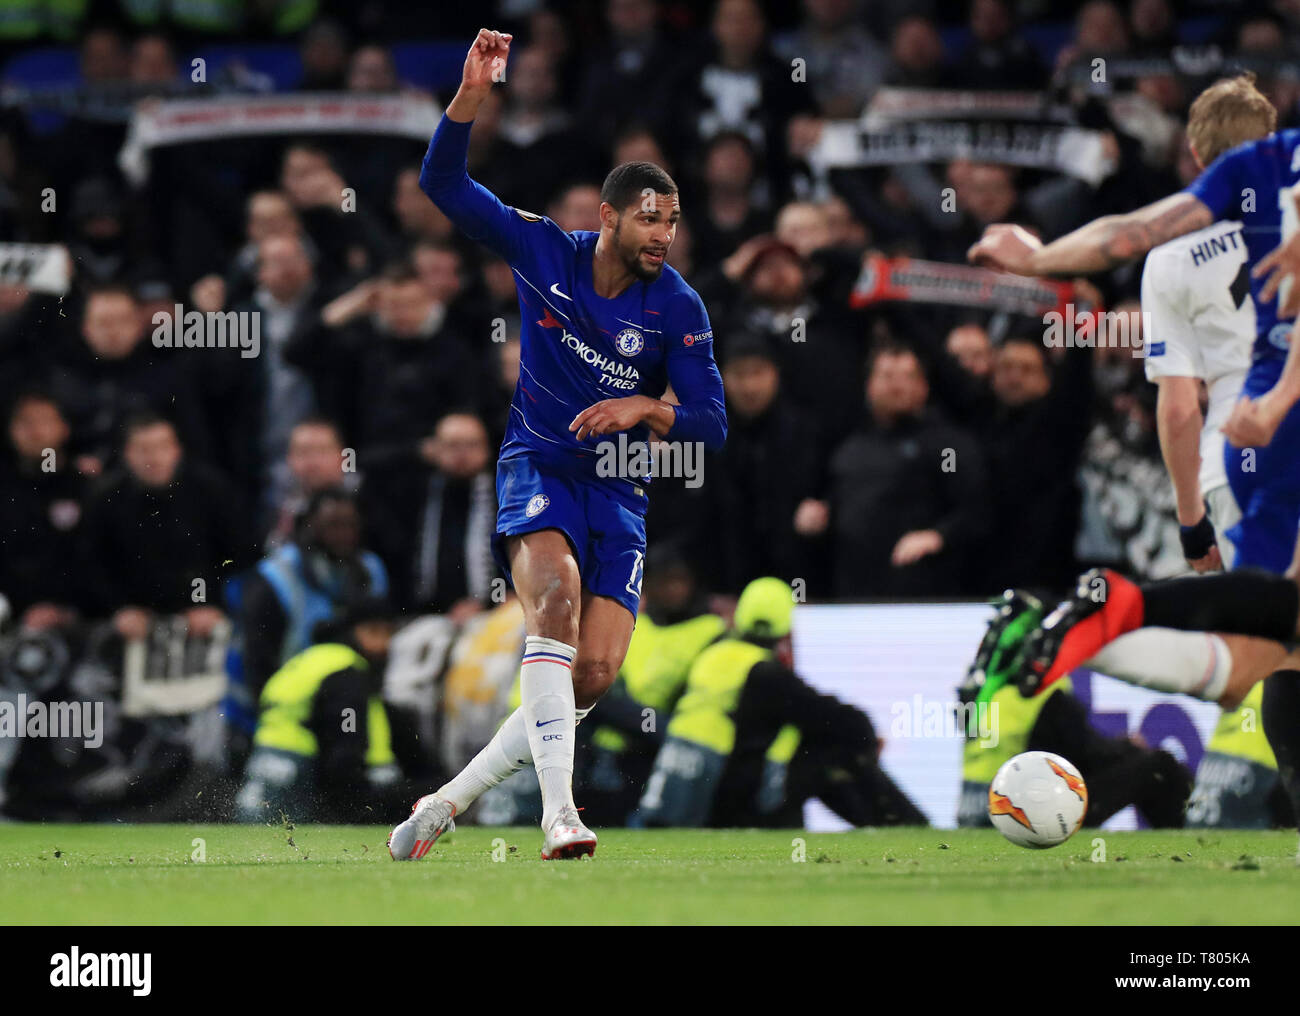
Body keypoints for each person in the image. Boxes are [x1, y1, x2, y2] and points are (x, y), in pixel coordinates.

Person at [388, 28, 726, 861]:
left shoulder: (677, 305)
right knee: (556, 607)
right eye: (650, 219)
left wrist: (644, 409)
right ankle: (560, 815)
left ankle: (446, 802)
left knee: (596, 675)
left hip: (617, 488)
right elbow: (442, 181)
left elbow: (711, 422)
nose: (663, 236)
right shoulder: (544, 249)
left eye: (673, 223)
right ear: (605, 216)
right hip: (537, 464)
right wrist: (472, 96)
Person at [967, 74, 1300, 822]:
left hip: (1233, 459)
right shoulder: (1289, 171)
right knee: (1262, 652)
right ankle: (1101, 620)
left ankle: (1079, 622)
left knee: (1280, 647)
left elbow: (1177, 404)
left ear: (1195, 155)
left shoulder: (1175, 259)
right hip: (1283, 434)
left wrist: (1191, 522)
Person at [635, 577, 927, 828]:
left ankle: (896, 824)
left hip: (692, 793)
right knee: (835, 751)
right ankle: (907, 825)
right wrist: (867, 740)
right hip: (736, 801)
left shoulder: (711, 655)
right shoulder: (765, 674)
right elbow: (842, 721)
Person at [235, 598, 416, 824]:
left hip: (266, 758)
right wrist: (350, 803)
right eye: (373, 632)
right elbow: (344, 748)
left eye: (388, 633)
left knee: (255, 828)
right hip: (302, 770)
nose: (383, 644)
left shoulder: (309, 659)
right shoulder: (347, 671)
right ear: (351, 632)